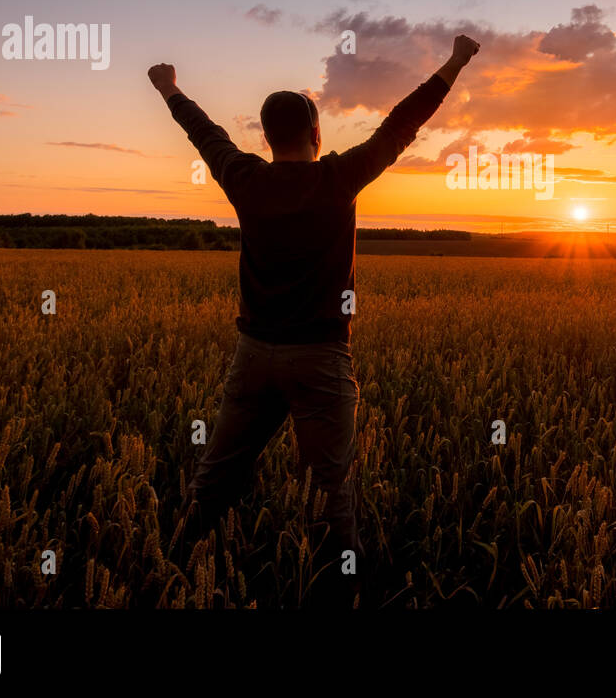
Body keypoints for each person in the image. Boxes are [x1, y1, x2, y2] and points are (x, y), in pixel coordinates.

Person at [147, 33, 480, 601]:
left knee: (210, 486)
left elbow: (205, 134)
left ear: (266, 137)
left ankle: (161, 580)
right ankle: (341, 596)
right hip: (323, 361)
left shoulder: (245, 179)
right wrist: (454, 61)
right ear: (317, 134)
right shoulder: (338, 177)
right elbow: (401, 125)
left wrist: (169, 88)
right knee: (332, 496)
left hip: (253, 358)